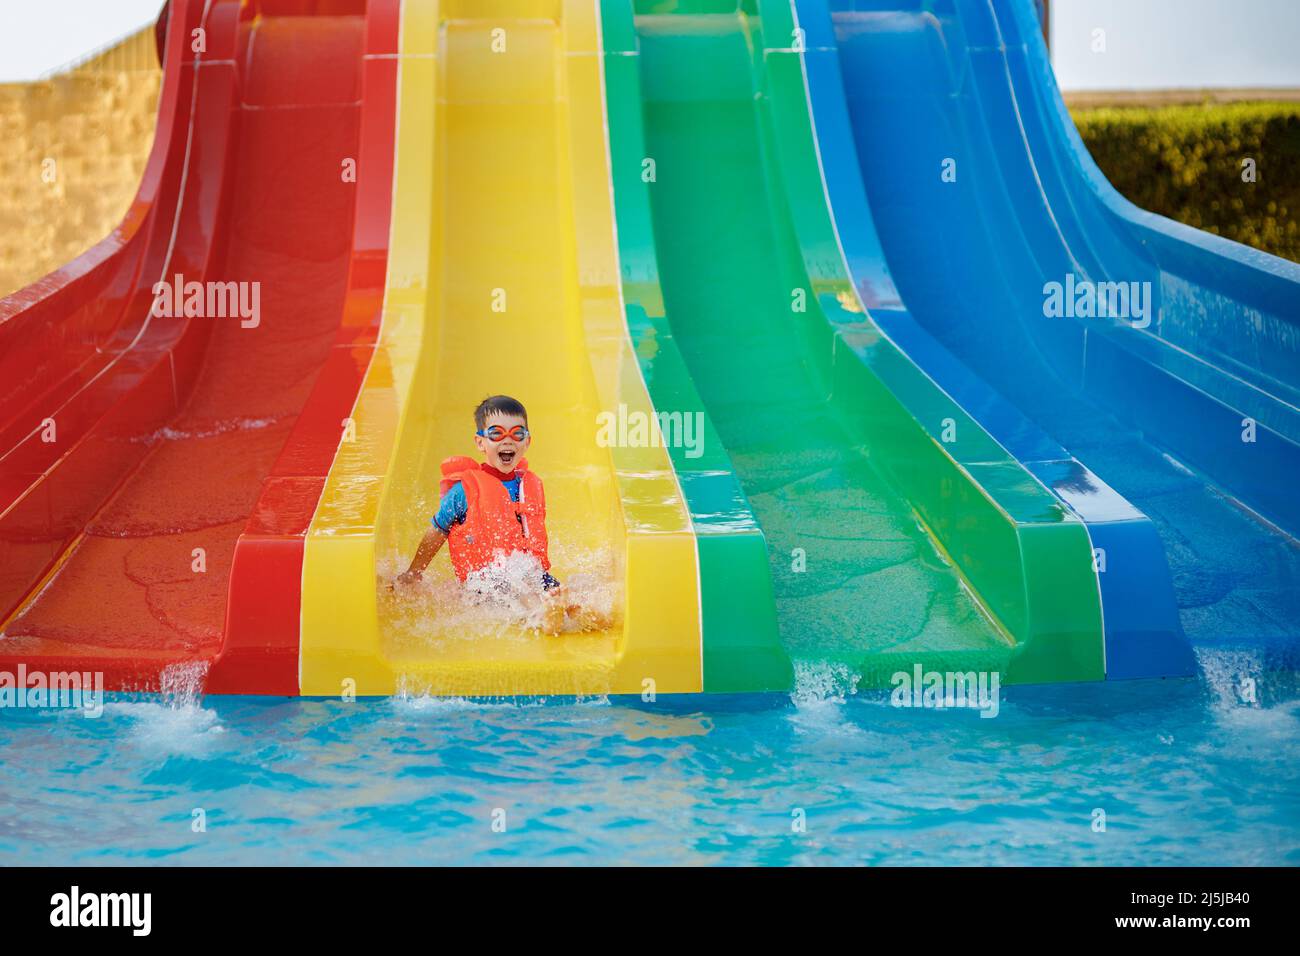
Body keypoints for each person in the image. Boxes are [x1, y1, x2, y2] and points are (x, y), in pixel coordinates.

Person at [392, 395, 611, 634]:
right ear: (480, 442)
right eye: (497, 433)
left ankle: (575, 613)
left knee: (565, 596)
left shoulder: (528, 484)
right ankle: (545, 617)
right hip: (485, 581)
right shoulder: (465, 490)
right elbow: (437, 530)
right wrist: (414, 572)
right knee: (518, 589)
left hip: (527, 571)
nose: (508, 441)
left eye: (517, 434)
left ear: (527, 442)